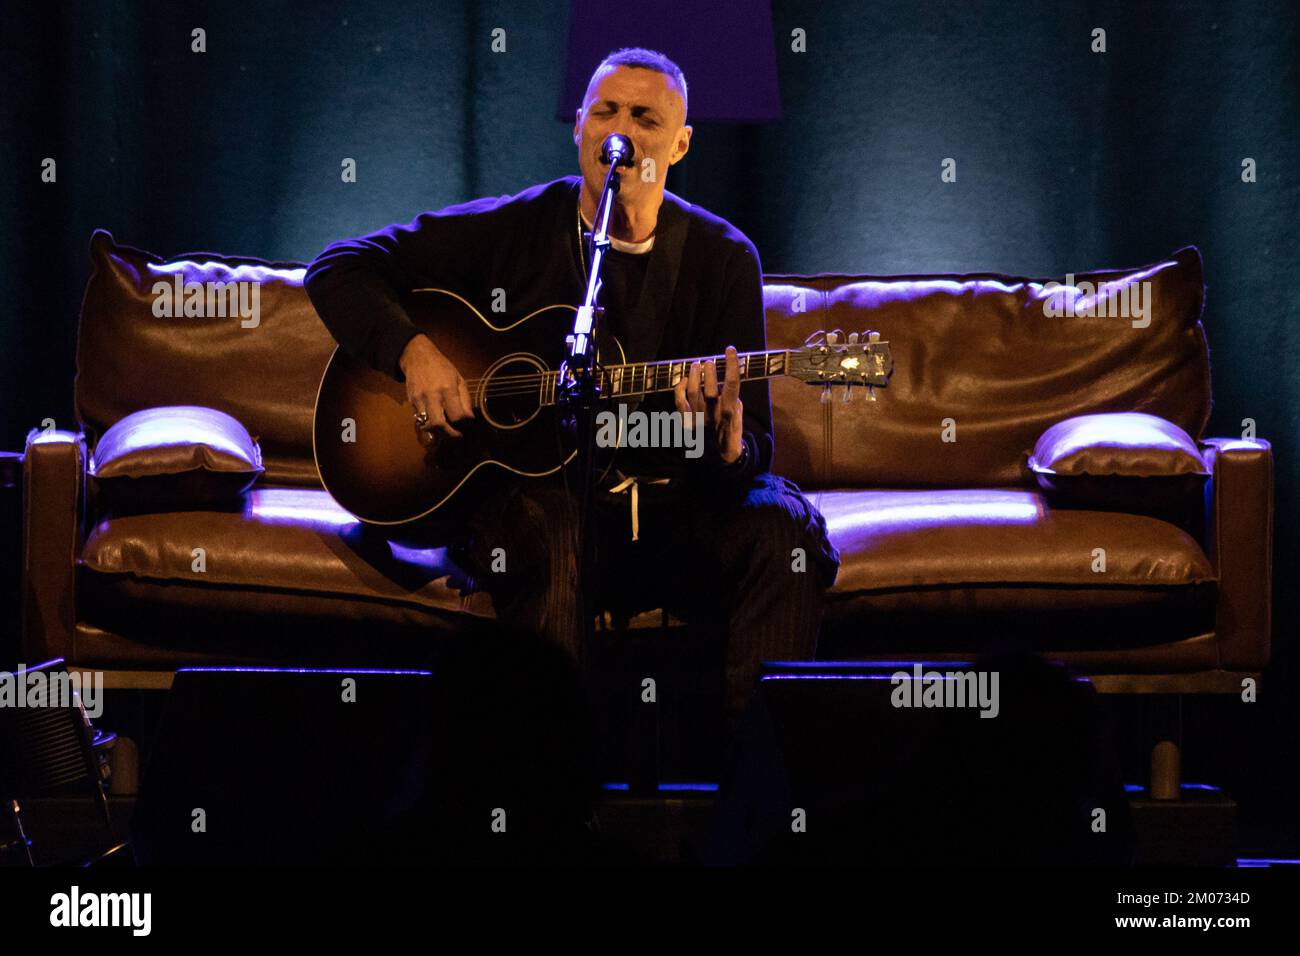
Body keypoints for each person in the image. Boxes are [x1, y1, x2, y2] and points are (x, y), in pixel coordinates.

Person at [304, 47, 840, 737]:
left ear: (679, 145)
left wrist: (728, 446)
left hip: (676, 512)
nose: (621, 131)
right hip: (544, 509)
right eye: (605, 112)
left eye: (644, 118)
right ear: (579, 127)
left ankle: (755, 777)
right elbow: (338, 266)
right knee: (551, 527)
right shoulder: (516, 228)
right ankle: (550, 782)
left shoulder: (723, 258)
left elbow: (753, 445)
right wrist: (415, 353)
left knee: (782, 529)